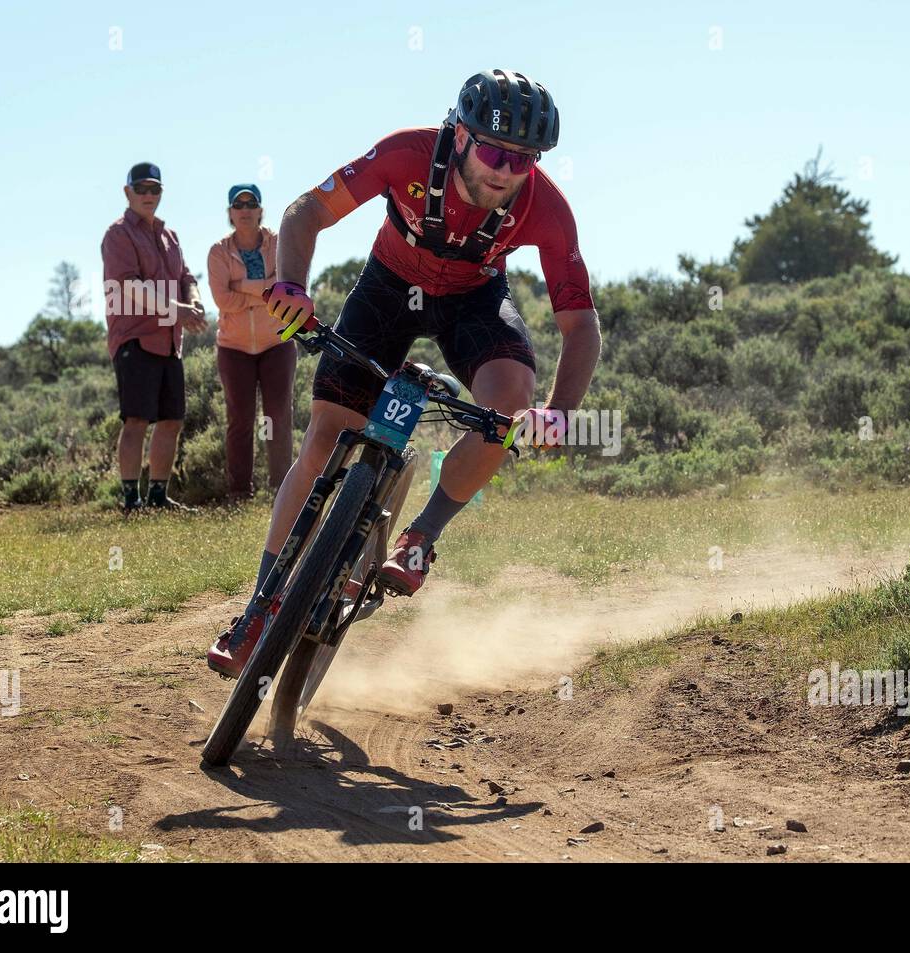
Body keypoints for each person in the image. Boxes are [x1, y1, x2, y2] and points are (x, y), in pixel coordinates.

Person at [208, 69, 600, 677]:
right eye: (494, 150)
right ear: (461, 136)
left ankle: (419, 538)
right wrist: (290, 286)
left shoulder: (546, 208)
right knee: (324, 439)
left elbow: (581, 326)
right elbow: (305, 212)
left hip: (474, 301)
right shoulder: (405, 153)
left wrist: (559, 413)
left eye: (523, 160)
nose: (504, 170)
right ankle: (262, 605)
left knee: (509, 407)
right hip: (388, 287)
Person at [102, 162, 207, 513]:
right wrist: (178, 310)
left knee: (172, 420)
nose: (149, 195)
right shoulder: (118, 235)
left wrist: (194, 301)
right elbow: (129, 285)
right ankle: (131, 501)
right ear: (127, 192)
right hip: (134, 338)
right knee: (135, 420)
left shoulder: (169, 235)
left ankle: (158, 498)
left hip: (169, 342)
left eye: (155, 189)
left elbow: (187, 275)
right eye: (142, 189)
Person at [207, 184, 294, 499]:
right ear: (230, 213)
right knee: (240, 420)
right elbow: (223, 300)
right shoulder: (218, 252)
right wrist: (264, 292)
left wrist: (241, 285)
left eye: (251, 203)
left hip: (277, 344)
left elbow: (283, 286)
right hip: (234, 349)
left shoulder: (278, 243)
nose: (245, 210)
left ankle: (281, 488)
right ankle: (240, 491)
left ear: (260, 210)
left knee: (277, 416)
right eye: (238, 205)